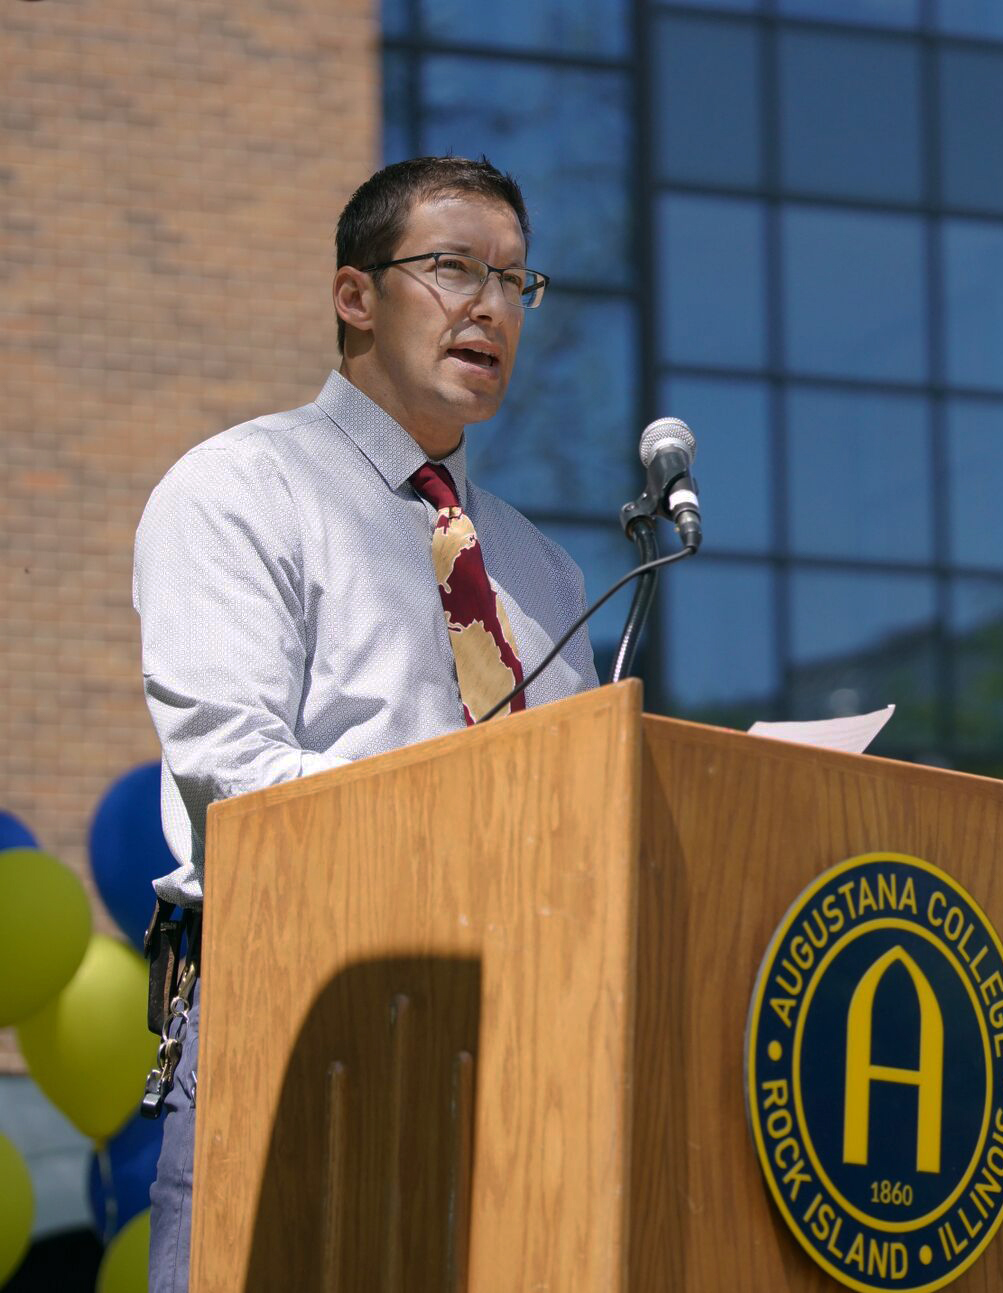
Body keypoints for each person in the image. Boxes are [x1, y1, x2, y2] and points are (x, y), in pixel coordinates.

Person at [134, 157, 601, 1293]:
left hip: (526, 1063)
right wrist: (462, 837)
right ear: (355, 296)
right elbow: (234, 776)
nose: (489, 305)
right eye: (451, 268)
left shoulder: (545, 569)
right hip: (307, 1018)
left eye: (513, 281)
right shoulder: (243, 488)